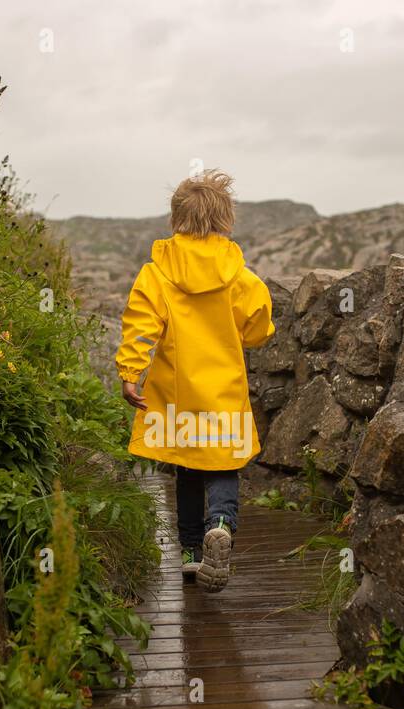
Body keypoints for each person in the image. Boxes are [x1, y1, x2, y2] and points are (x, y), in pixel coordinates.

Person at [114, 169, 274, 592]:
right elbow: (258, 321)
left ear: (175, 219)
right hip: (225, 393)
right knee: (224, 463)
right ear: (225, 221)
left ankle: (189, 553)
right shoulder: (238, 274)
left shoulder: (157, 273)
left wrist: (131, 373)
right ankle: (220, 524)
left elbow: (140, 327)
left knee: (185, 468)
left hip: (177, 393)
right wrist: (250, 333)